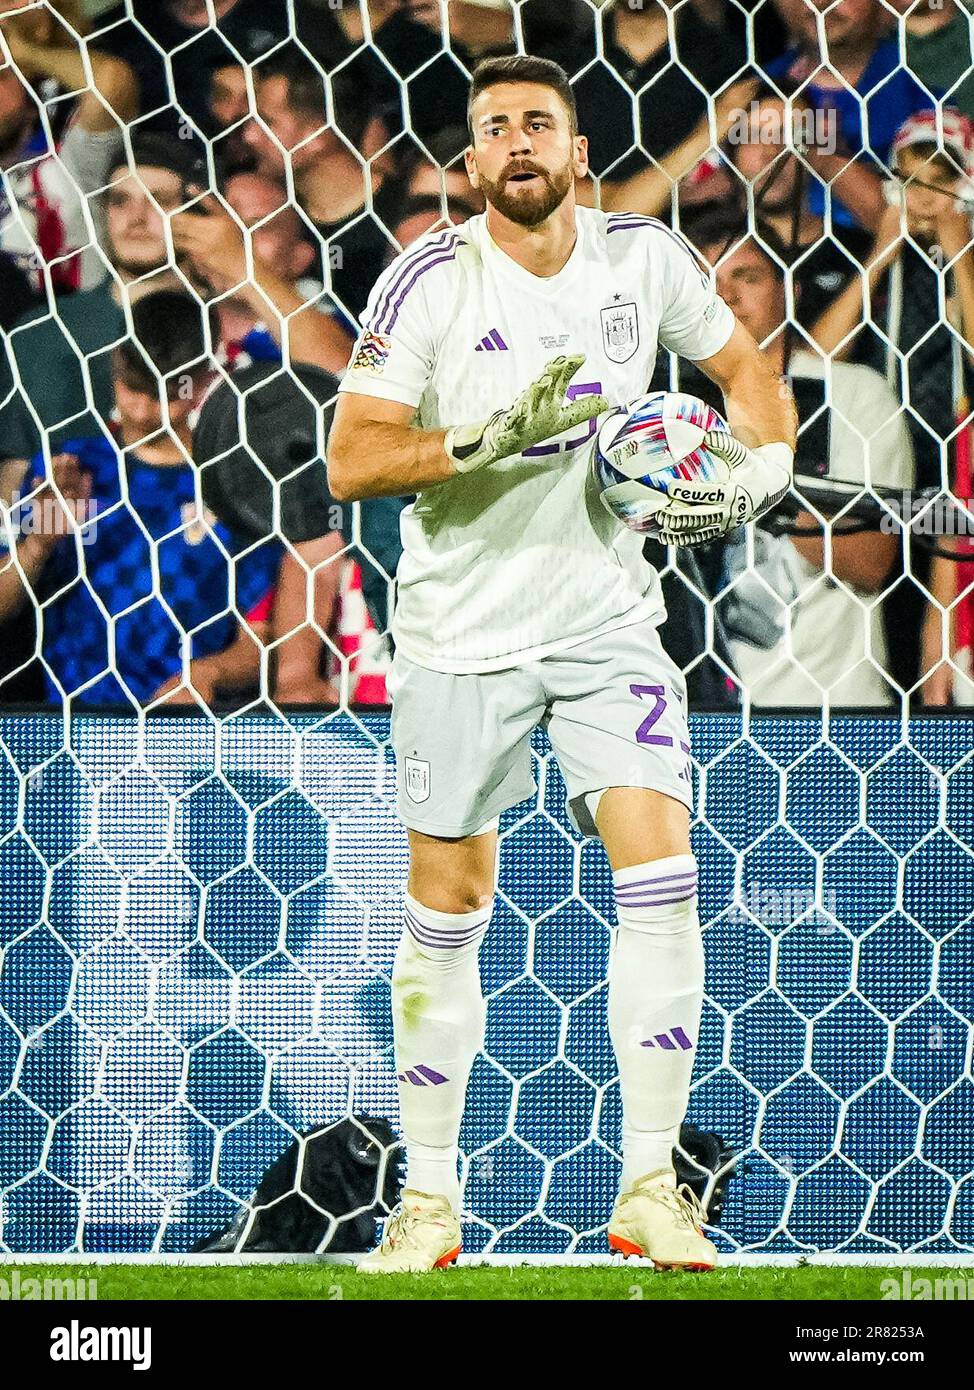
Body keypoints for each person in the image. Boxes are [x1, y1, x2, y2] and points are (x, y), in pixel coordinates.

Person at [328, 54, 796, 1273]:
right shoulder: (428, 277)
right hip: (457, 631)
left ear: (578, 152)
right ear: (468, 165)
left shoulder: (642, 257)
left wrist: (761, 464)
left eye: (540, 122)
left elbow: (744, 372)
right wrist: (481, 437)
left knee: (663, 874)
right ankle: (426, 1202)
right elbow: (351, 460)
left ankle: (650, 1186)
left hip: (603, 616)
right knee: (450, 907)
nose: (518, 142)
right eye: (494, 130)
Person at [0, 290, 280, 708]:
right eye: (134, 388)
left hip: (184, 733)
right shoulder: (67, 471)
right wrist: (37, 546)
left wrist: (207, 672)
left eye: (166, 394)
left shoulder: (234, 486)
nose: (146, 410)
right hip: (71, 732)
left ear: (205, 378)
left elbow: (258, 645)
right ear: (116, 365)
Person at [691, 222, 915, 706]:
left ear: (790, 289)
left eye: (745, 277)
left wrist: (756, 487)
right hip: (700, 711)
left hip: (833, 707)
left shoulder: (854, 394)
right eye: (705, 282)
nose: (724, 296)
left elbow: (872, 558)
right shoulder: (674, 409)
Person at [242, 44, 395, 324]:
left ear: (317, 135)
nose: (249, 136)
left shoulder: (404, 215)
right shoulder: (279, 224)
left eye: (267, 122)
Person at [762, 0, 937, 233]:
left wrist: (825, 154)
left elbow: (929, 223)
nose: (820, 4)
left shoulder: (925, 84)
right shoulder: (754, 88)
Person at [0, 3, 138, 292]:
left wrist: (26, 53)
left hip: (67, 313)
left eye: (2, 75)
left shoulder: (66, 161)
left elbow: (112, 83)